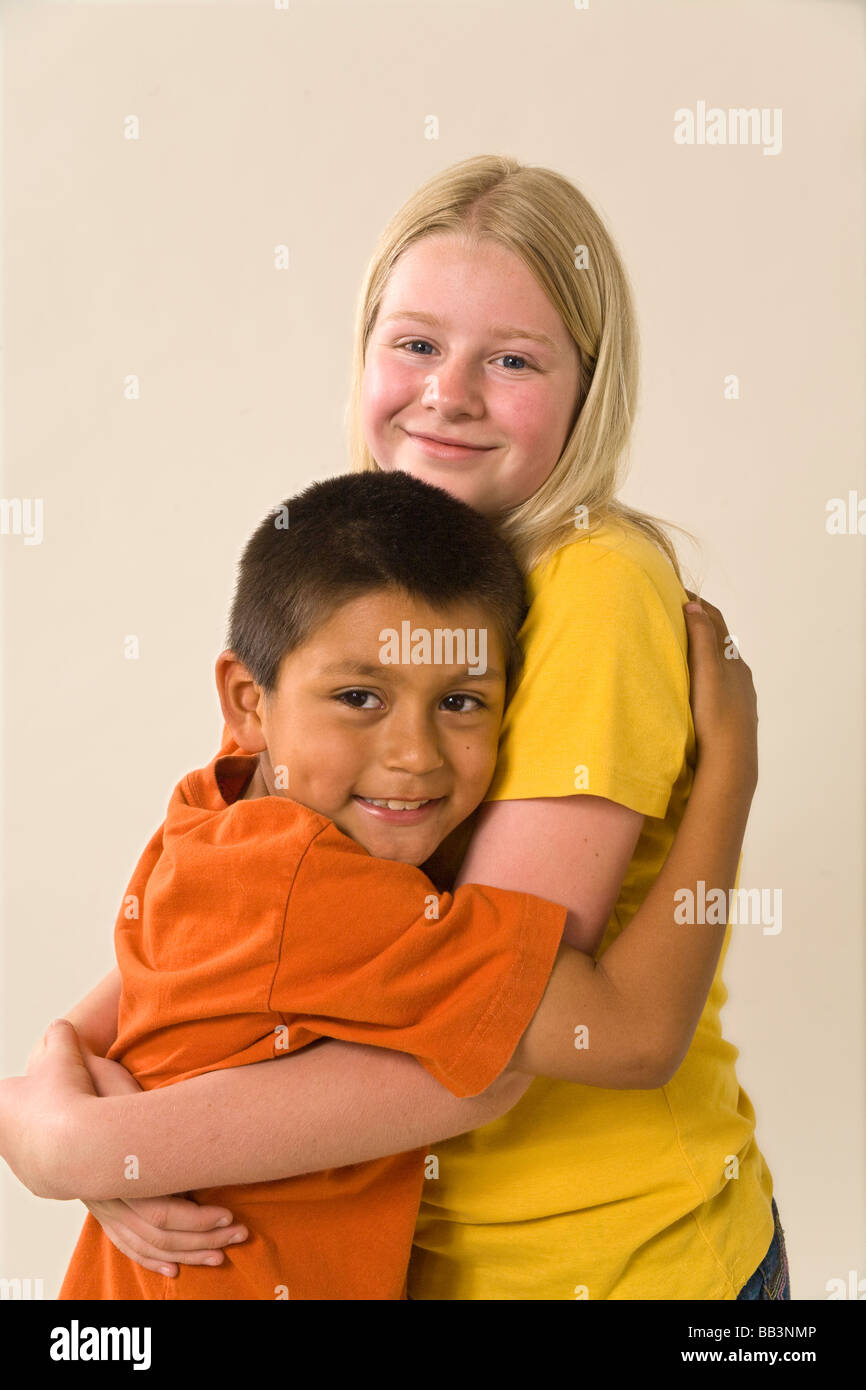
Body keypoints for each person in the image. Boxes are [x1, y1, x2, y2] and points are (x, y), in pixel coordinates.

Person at [0, 156, 785, 1300]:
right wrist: (55, 1085)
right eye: (414, 344)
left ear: (589, 386)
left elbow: (493, 1050)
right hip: (403, 1256)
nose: (447, 394)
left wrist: (99, 1144)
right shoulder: (379, 578)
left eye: (510, 360)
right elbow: (246, 904)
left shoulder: (594, 586)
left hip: (601, 1264)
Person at [41, 467, 753, 1300]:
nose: (415, 754)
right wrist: (730, 770)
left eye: (461, 702)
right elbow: (631, 1038)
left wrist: (83, 1138)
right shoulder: (321, 891)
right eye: (358, 696)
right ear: (247, 702)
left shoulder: (214, 806)